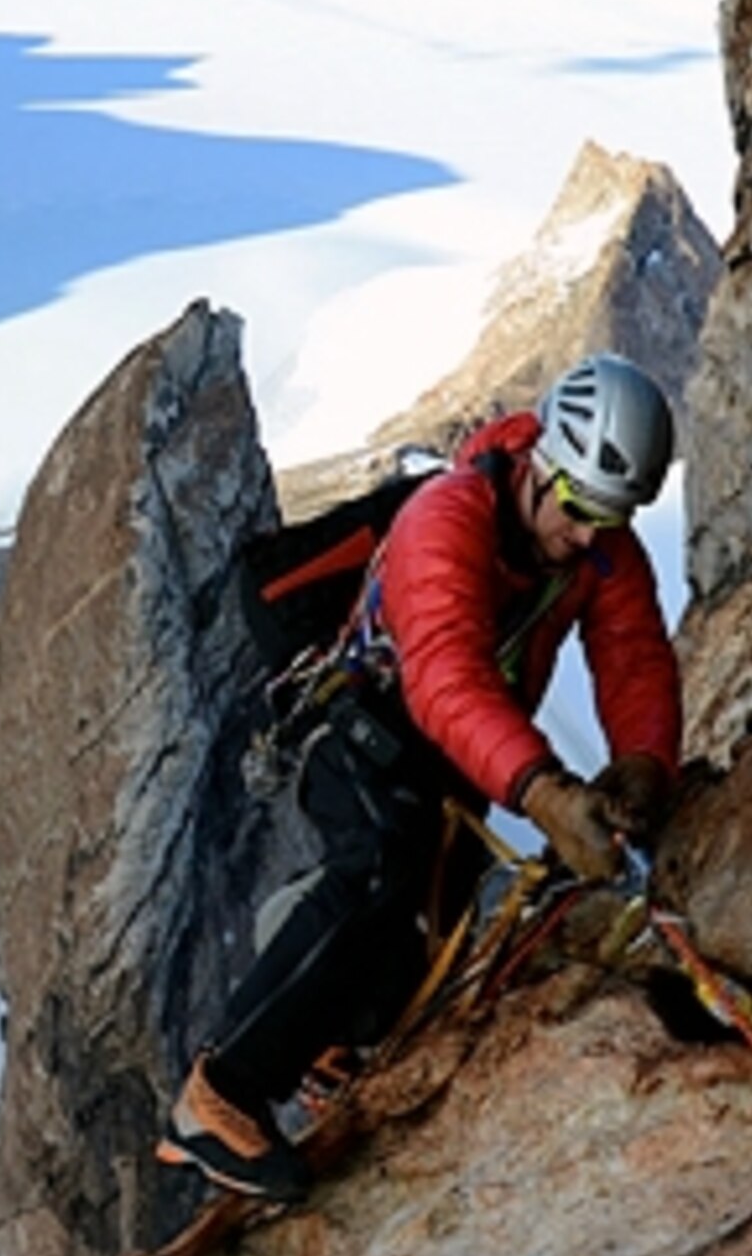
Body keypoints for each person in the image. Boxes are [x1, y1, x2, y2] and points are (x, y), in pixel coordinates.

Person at [158, 353, 685, 1201]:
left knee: (434, 931)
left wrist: (645, 764)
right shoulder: (446, 517)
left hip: (457, 747)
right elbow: (445, 676)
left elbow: (633, 656)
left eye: (612, 517)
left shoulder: (597, 545)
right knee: (380, 866)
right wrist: (543, 793)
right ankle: (217, 1098)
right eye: (582, 510)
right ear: (542, 467)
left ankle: (332, 1044)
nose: (591, 537)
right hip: (359, 722)